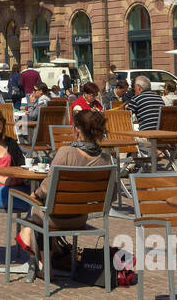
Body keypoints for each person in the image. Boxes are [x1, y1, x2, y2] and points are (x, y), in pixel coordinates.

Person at [15, 108, 112, 268]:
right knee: (40, 208)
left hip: (56, 218)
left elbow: (46, 189)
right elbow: (111, 196)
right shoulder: (106, 159)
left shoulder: (66, 152)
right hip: (81, 217)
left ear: (77, 130)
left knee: (35, 205)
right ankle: (52, 252)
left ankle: (39, 259)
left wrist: (35, 193)